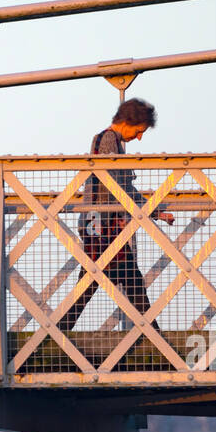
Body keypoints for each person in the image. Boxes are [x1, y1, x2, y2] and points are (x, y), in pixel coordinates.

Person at [57, 97, 174, 333]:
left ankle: (58, 332)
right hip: (101, 224)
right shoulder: (108, 139)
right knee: (117, 281)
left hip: (104, 224)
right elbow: (111, 182)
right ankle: (155, 337)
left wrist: (157, 213)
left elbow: (125, 188)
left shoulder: (114, 143)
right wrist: (126, 212)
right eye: (139, 131)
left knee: (117, 281)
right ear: (128, 122)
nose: (139, 137)